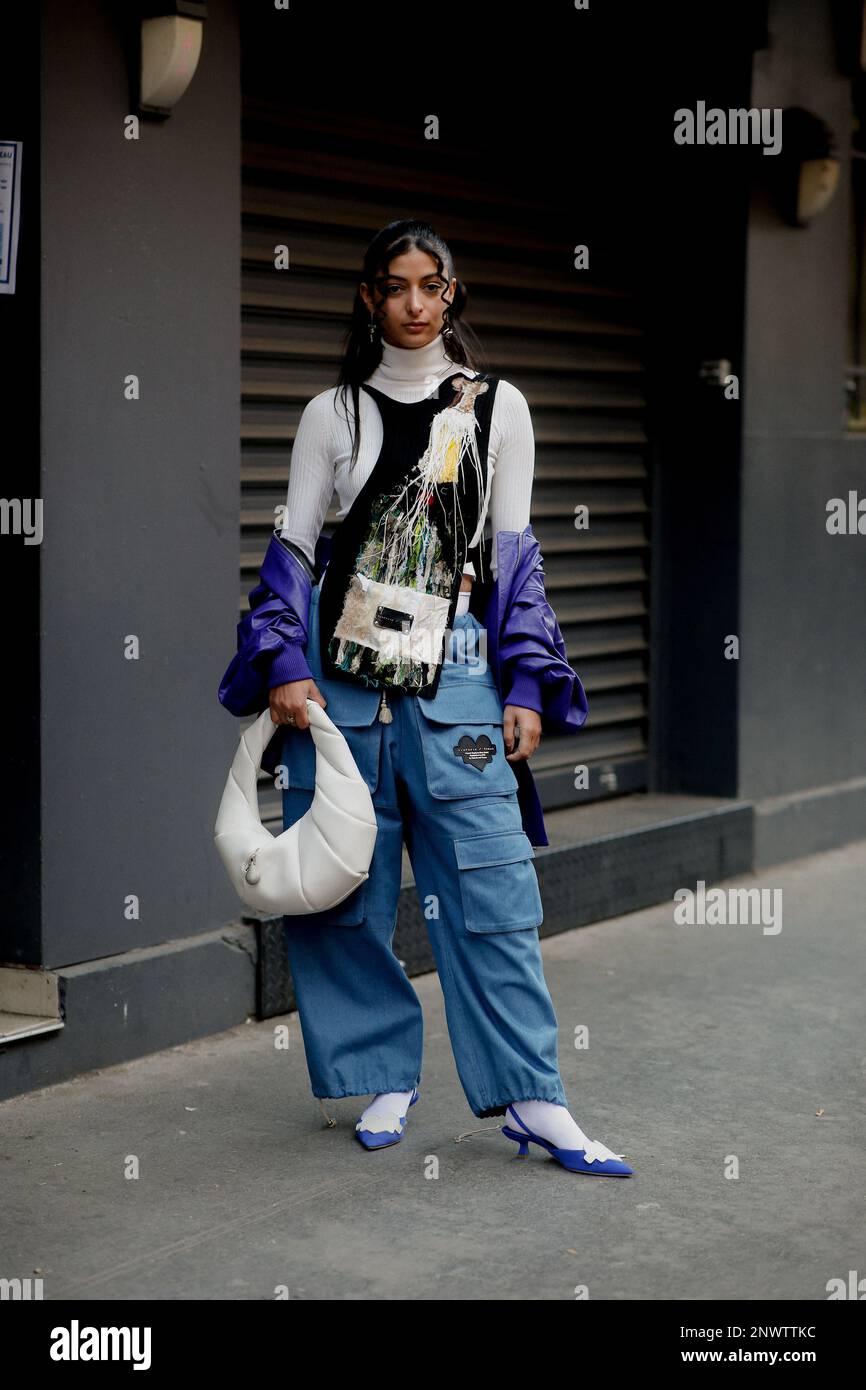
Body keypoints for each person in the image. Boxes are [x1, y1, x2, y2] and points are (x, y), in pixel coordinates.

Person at [219, 220, 632, 1177]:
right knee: (341, 897)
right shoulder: (334, 415)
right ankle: (383, 1074)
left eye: (430, 286)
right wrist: (282, 666)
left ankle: (536, 1100)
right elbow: (292, 553)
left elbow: (515, 556)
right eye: (394, 286)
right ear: (369, 296)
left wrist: (527, 681)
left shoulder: (499, 409)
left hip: (457, 686)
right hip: (343, 695)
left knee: (494, 891)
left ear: (452, 296)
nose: (412, 303)